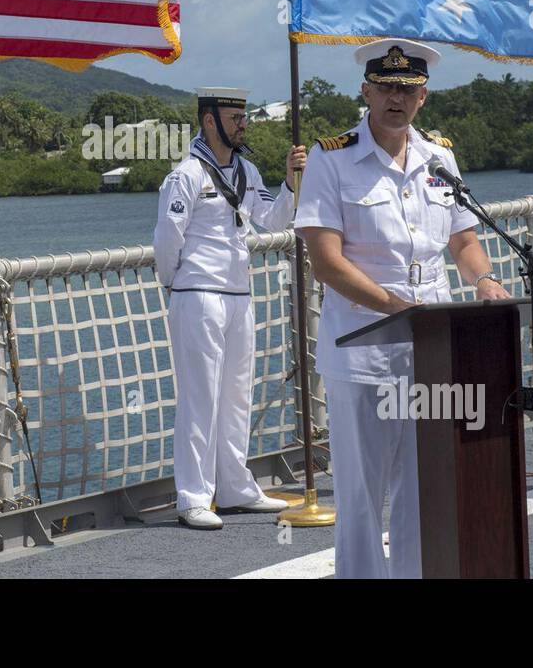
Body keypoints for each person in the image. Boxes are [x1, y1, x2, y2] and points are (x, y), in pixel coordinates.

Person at [294, 39, 509, 577]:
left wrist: (484, 281)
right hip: (363, 350)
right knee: (362, 494)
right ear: (365, 91)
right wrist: (397, 308)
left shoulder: (441, 157)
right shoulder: (331, 157)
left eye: (407, 89)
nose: (396, 97)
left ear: (423, 98)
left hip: (433, 349)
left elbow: (462, 240)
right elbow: (326, 262)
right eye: (386, 87)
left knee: (426, 485)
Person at [153, 87, 306, 529]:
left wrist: (291, 183)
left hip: (239, 295)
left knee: (238, 395)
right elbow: (167, 239)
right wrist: (177, 284)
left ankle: (236, 487)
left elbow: (275, 220)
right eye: (234, 117)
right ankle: (193, 496)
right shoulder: (186, 175)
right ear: (209, 121)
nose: (243, 124)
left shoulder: (247, 170)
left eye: (244, 116)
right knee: (200, 398)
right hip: (197, 293)